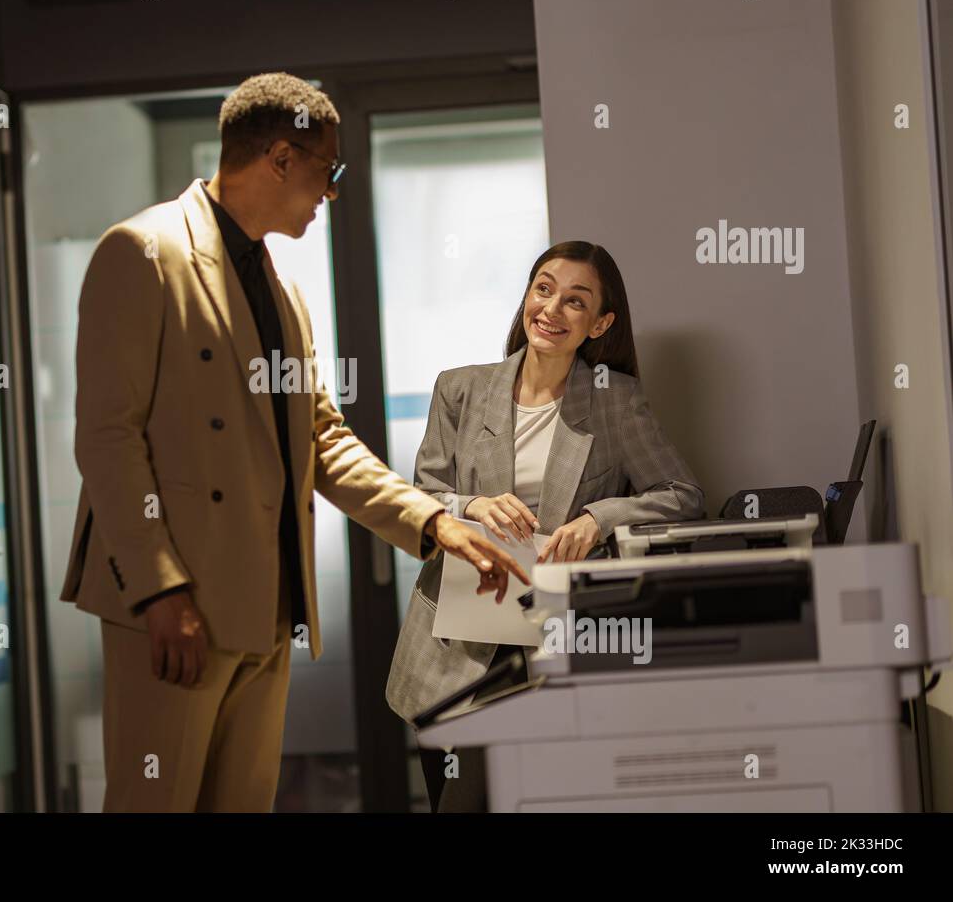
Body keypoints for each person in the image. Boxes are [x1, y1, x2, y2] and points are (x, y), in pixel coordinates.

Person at [60, 72, 524, 812]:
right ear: (280, 158)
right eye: (327, 168)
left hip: (266, 608)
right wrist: (159, 591)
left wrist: (435, 523)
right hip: (176, 608)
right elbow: (108, 440)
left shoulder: (287, 293)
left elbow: (322, 439)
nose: (331, 191)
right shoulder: (141, 252)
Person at [385, 240, 706, 812]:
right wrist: (471, 507)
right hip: (454, 644)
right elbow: (421, 500)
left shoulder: (615, 401)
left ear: (599, 323)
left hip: (552, 645)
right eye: (544, 290)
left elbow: (681, 494)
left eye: (576, 301)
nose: (553, 309)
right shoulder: (459, 389)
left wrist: (597, 519)